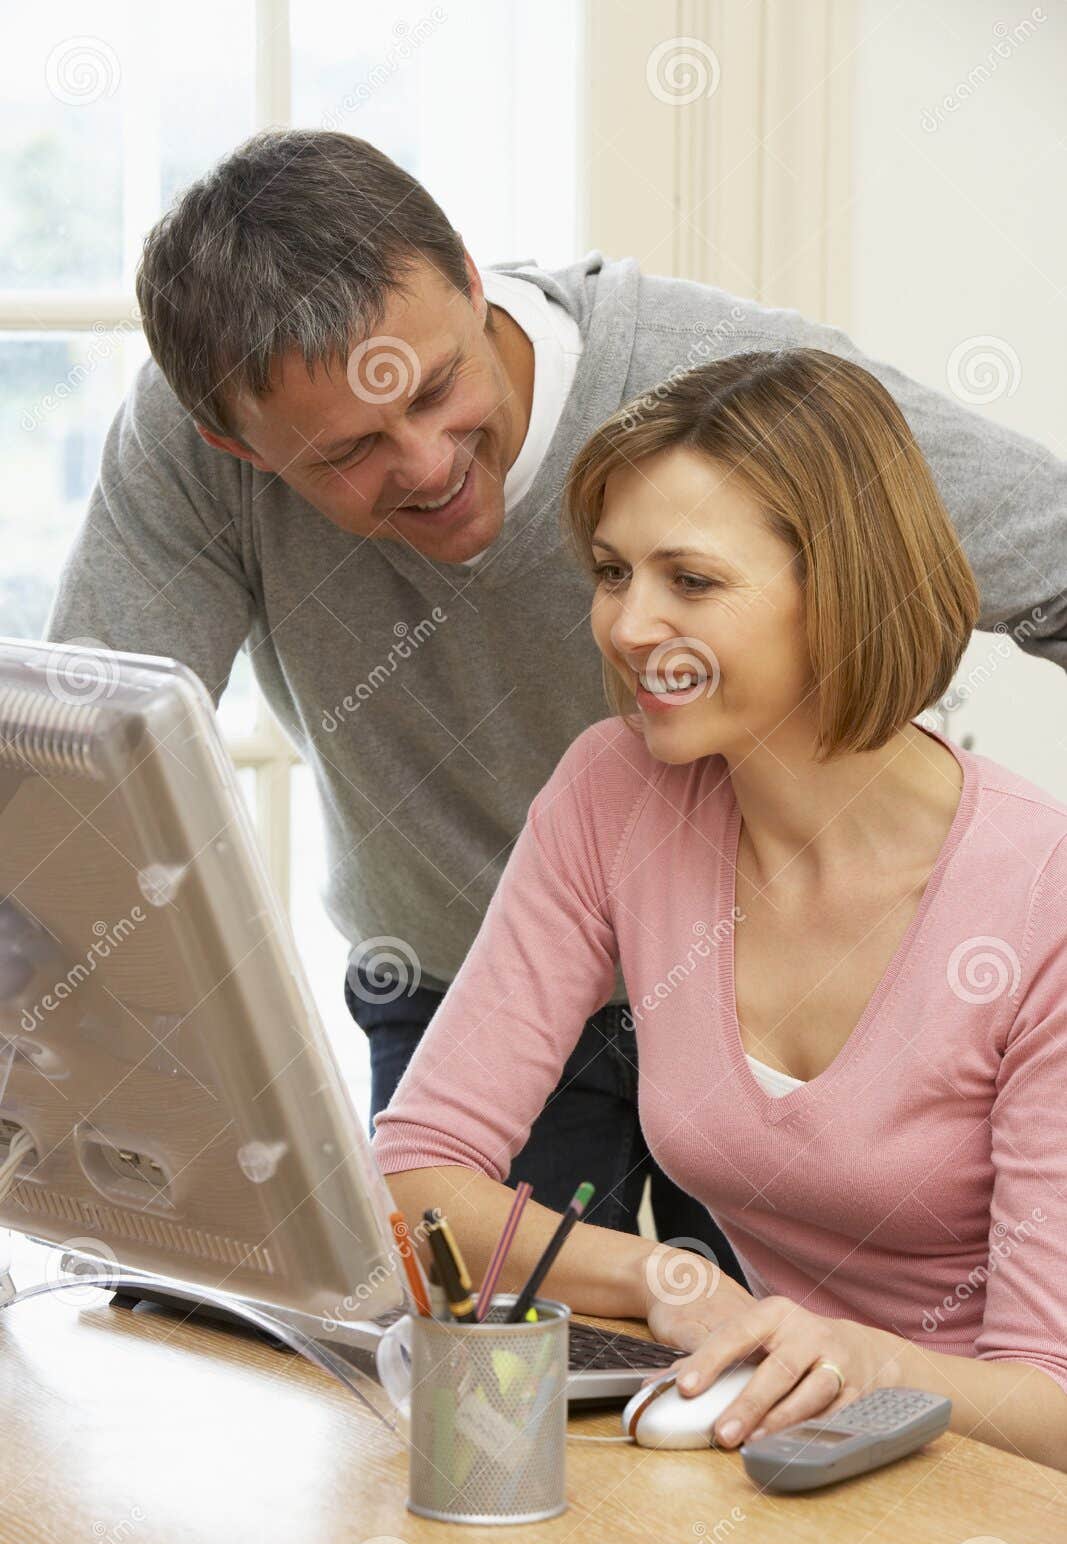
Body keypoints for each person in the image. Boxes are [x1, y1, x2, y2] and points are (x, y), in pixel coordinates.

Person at [46, 130, 1067, 1281]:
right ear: (236, 445)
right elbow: (83, 787)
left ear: (474, 282)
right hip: (462, 976)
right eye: (349, 453)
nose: (426, 463)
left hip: (768, 991)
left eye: (437, 388)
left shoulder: (722, 389)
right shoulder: (195, 460)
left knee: (809, 1376)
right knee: (493, 1398)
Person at [374, 349, 1067, 1472]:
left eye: (688, 581)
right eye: (610, 573)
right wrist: (667, 1276)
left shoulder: (1039, 899)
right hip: (788, 1452)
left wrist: (860, 1359)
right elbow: (416, 1173)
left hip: (990, 1500)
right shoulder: (615, 793)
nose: (626, 625)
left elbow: (1052, 1398)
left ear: (840, 587)